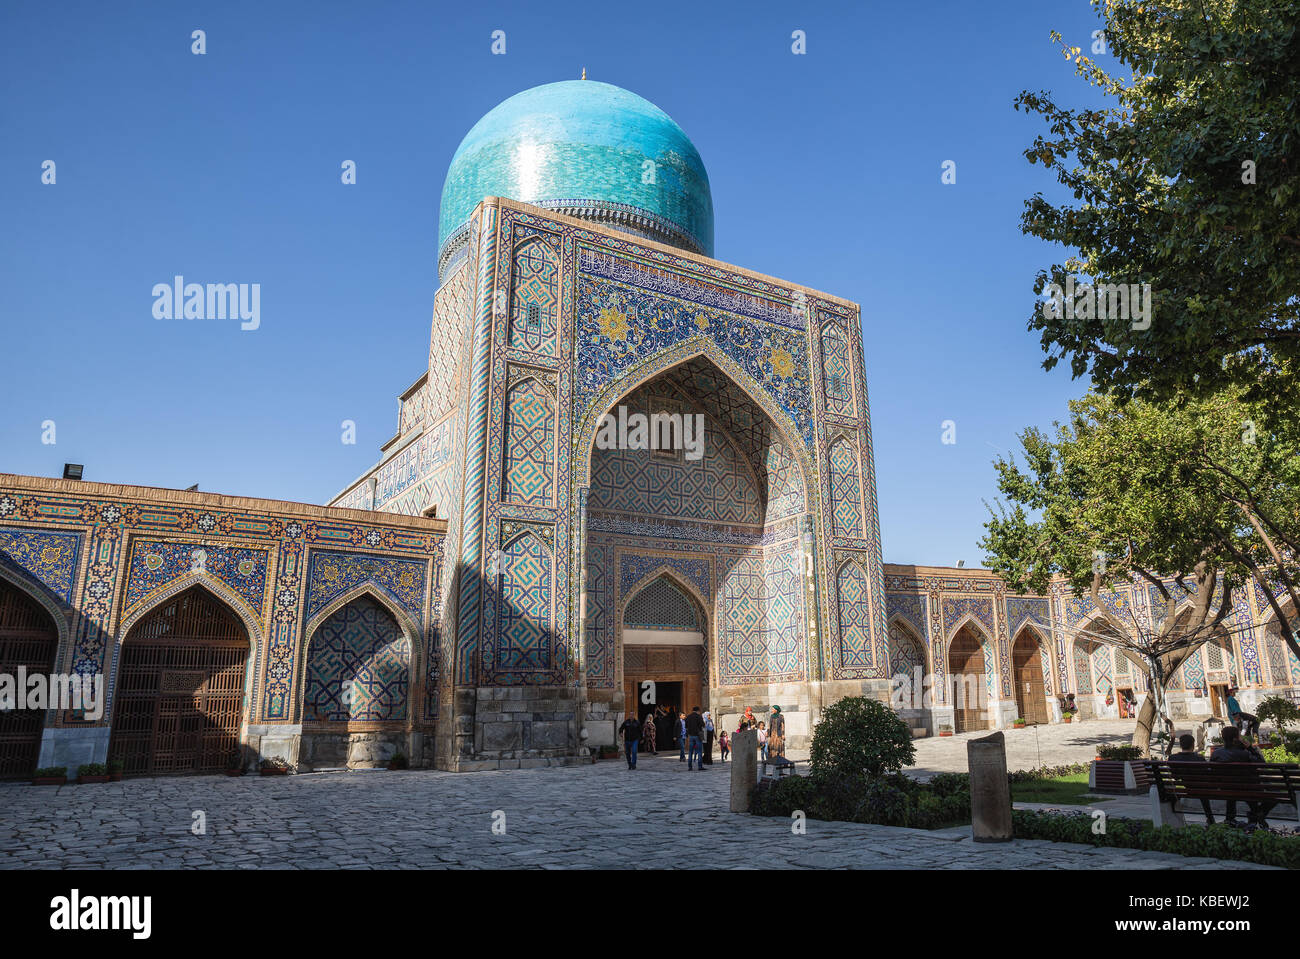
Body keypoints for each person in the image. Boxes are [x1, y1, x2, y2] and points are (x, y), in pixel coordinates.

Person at [1210, 725, 1275, 825]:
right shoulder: (1244, 753)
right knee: (1273, 792)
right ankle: (1256, 814)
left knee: (1233, 787)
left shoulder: (1216, 753)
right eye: (1240, 735)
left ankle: (1231, 818)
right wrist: (1250, 748)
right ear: (1235, 738)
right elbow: (1262, 763)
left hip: (1226, 788)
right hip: (1248, 788)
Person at [1169, 733, 1215, 823]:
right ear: (1193, 745)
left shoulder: (1173, 758)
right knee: (1203, 793)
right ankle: (1210, 818)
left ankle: (1173, 816)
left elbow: (1174, 776)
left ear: (1181, 745)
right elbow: (1207, 774)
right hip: (1200, 789)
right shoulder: (1199, 758)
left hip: (1183, 788)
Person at [685, 706, 706, 771]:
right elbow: (703, 725)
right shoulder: (698, 716)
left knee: (690, 752)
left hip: (691, 736)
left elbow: (686, 726)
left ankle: (690, 767)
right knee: (699, 751)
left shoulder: (688, 717)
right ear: (698, 711)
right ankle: (700, 766)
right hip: (697, 736)